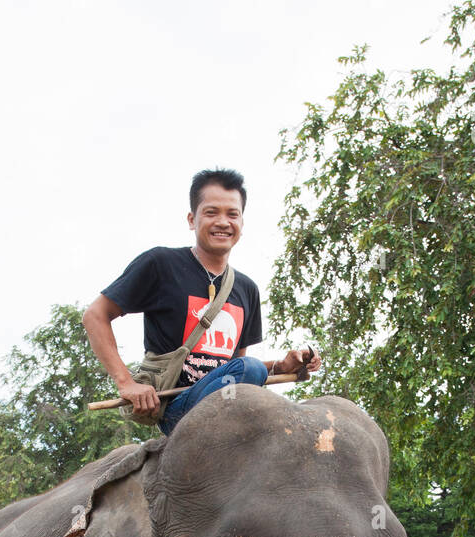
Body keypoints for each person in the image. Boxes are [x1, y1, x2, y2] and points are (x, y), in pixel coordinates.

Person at [82, 168, 321, 433]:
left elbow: (233, 372)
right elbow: (95, 316)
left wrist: (283, 366)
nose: (223, 222)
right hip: (178, 407)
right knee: (250, 369)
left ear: (242, 222)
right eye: (211, 212)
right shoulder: (161, 265)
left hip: (226, 406)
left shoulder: (246, 289)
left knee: (255, 380)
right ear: (192, 219)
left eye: (232, 214)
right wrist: (126, 382)